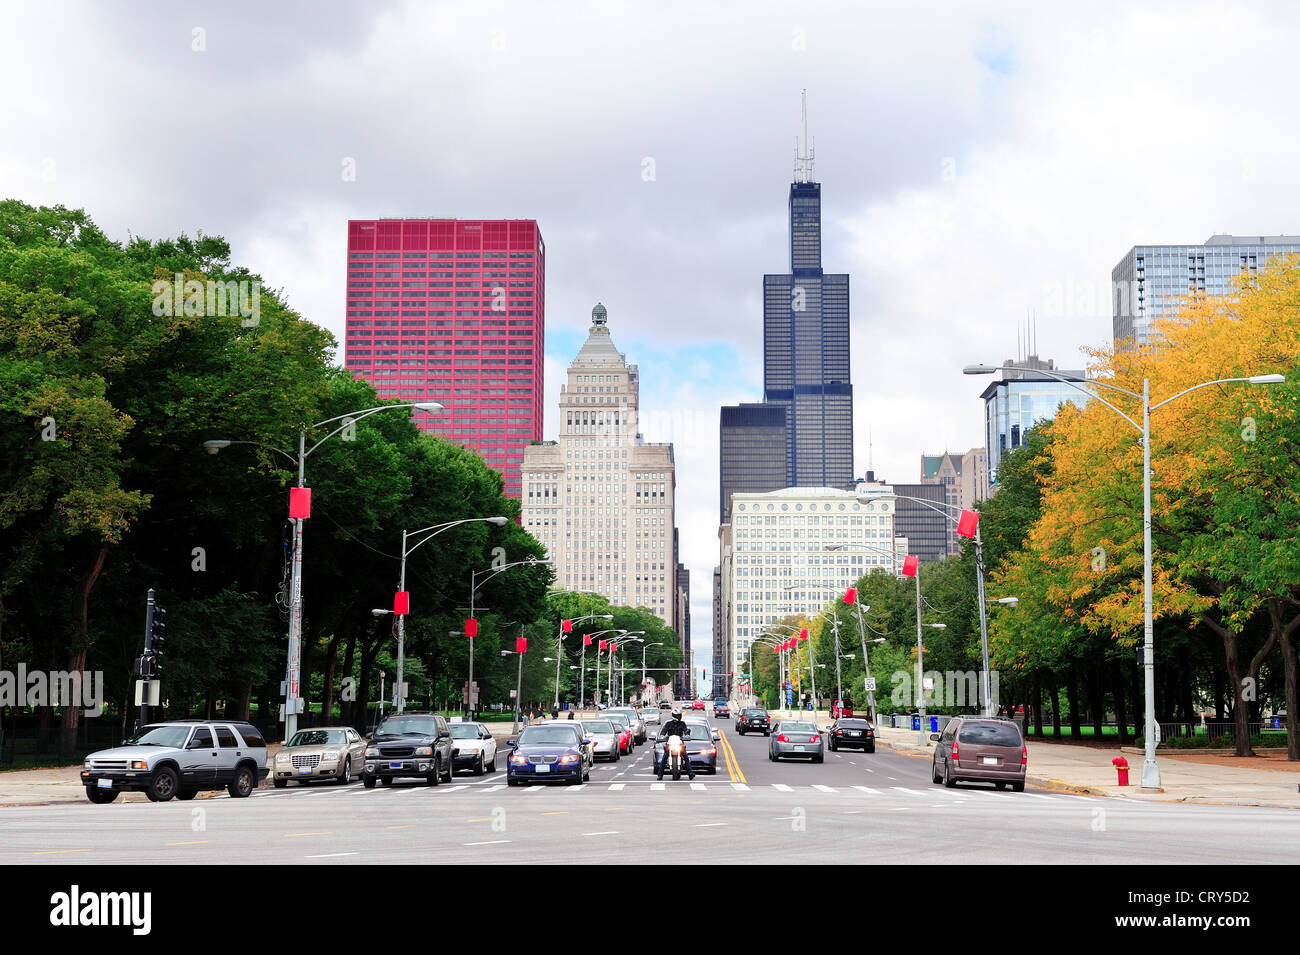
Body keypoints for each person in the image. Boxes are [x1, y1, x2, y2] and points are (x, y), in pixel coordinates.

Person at [657, 707, 695, 780]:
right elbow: (664, 731)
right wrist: (661, 736)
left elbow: (685, 730)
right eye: (677, 715)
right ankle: (660, 775)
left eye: (679, 715)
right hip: (670, 743)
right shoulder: (668, 724)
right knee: (664, 758)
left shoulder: (682, 723)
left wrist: (687, 734)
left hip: (679, 743)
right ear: (674, 716)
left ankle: (690, 773)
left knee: (686, 757)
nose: (679, 717)